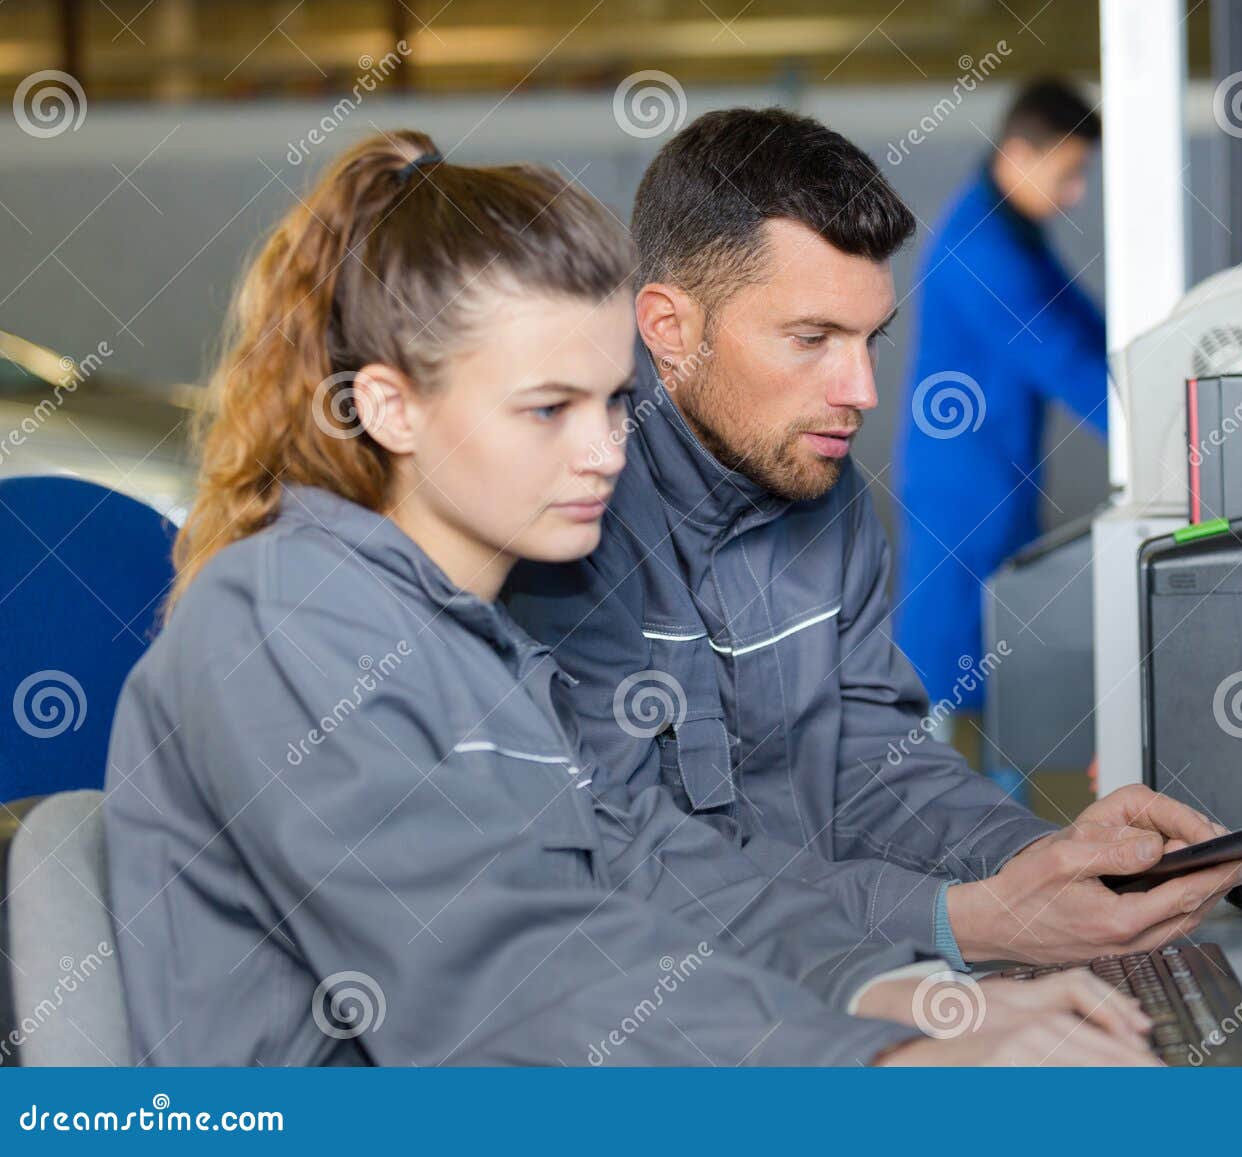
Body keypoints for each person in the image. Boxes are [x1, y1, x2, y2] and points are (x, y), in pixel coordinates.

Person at [104, 130, 1158, 1067]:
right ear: (390, 407)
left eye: (613, 401)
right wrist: (875, 1058)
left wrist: (906, 994)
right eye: (548, 408)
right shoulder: (284, 611)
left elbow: (655, 873)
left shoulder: (477, 640)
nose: (607, 451)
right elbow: (496, 968)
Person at [505, 108, 1242, 973]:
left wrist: (1036, 860)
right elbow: (633, 867)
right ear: (671, 327)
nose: (860, 389)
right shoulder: (568, 518)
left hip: (819, 989)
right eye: (812, 338)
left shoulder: (826, 495)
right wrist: (960, 920)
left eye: (870, 339)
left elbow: (870, 760)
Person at [894, 77, 1110, 724]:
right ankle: (918, 812)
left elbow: (1081, 324)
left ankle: (992, 808)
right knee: (943, 671)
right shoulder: (981, 249)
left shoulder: (1011, 230)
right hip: (963, 490)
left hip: (997, 475)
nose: (1077, 192)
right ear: (1019, 153)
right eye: (1070, 173)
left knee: (997, 665)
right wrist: (1165, 436)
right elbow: (1066, 360)